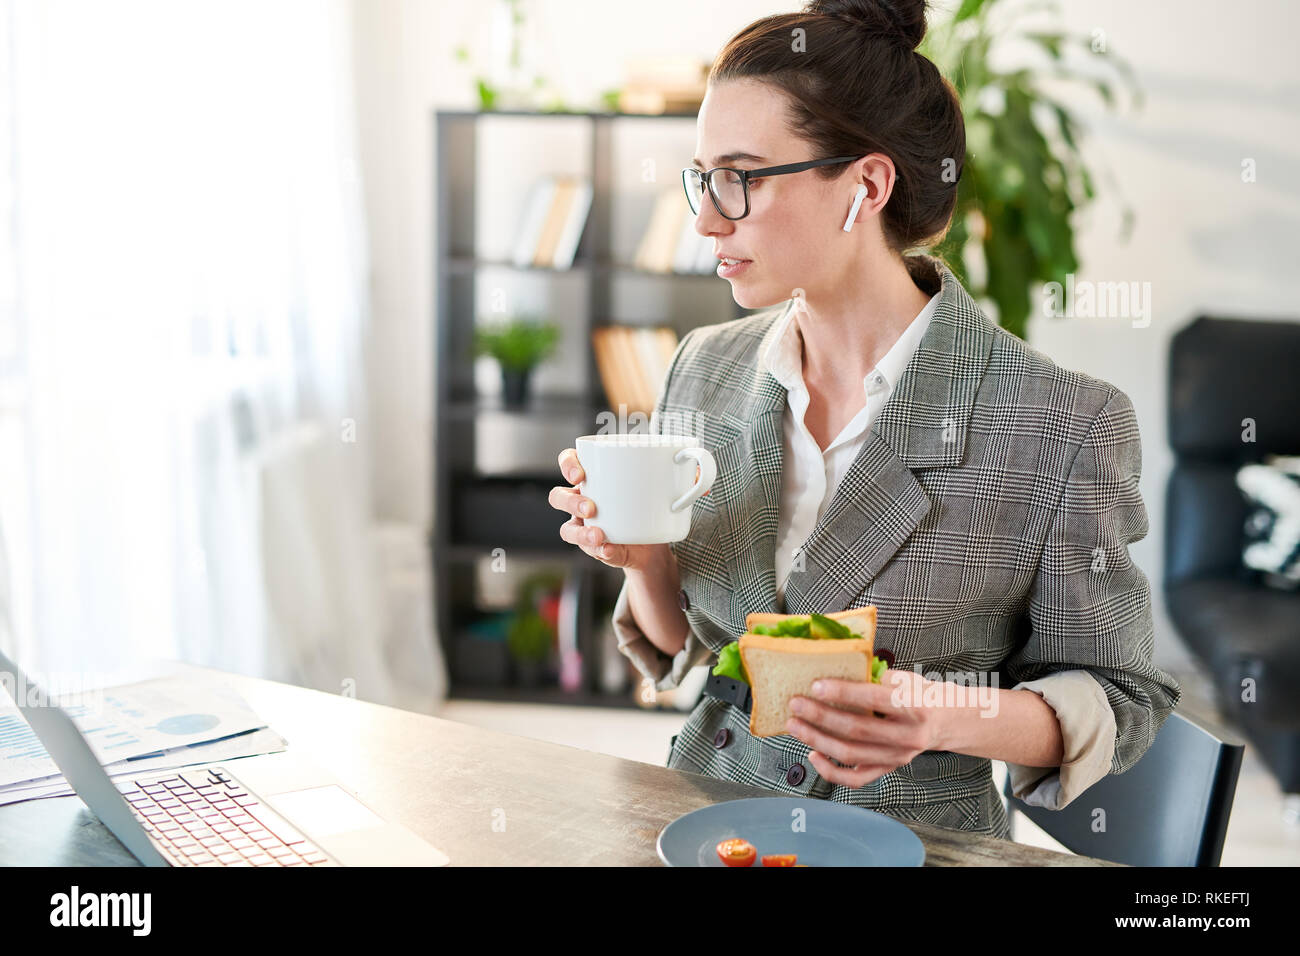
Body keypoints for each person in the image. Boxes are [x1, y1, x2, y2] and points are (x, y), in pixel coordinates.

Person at [549, 0, 1180, 839]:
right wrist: (645, 558)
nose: (706, 217)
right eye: (701, 176)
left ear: (866, 186)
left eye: (740, 177)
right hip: (706, 820)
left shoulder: (1062, 424)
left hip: (920, 844)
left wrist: (933, 714)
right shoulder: (708, 366)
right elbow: (691, 655)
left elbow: (1121, 698)